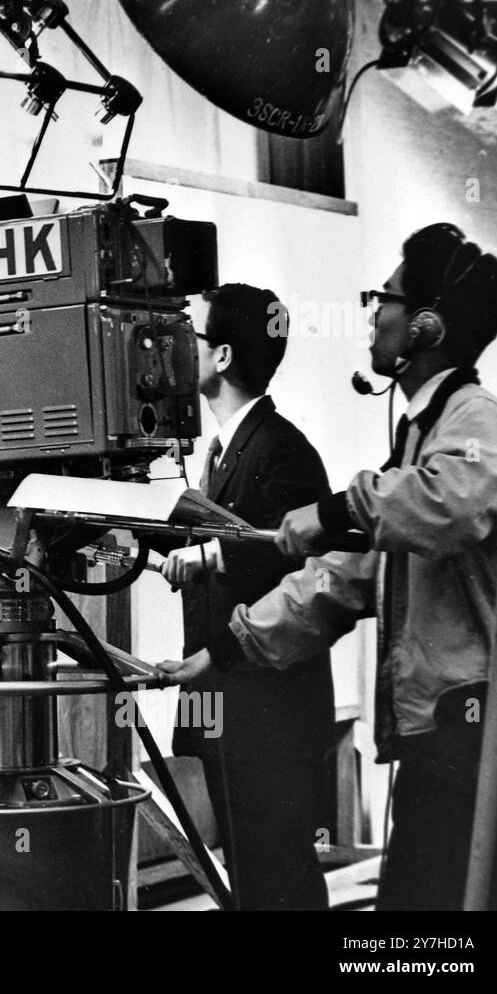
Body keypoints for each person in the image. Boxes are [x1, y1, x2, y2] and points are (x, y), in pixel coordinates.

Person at [159, 224, 497, 910]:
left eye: (383, 299)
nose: (372, 314)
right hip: (433, 733)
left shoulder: (476, 420)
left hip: (470, 728)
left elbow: (448, 503)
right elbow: (340, 578)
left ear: (425, 326)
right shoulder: (420, 434)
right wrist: (227, 648)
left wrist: (335, 510)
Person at [152, 283, 334, 910]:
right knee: (251, 874)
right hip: (229, 701)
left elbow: (293, 553)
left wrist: (207, 555)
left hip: (267, 714)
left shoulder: (280, 447)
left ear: (223, 355)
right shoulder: (228, 450)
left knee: (277, 874)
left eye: (189, 335)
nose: (173, 348)